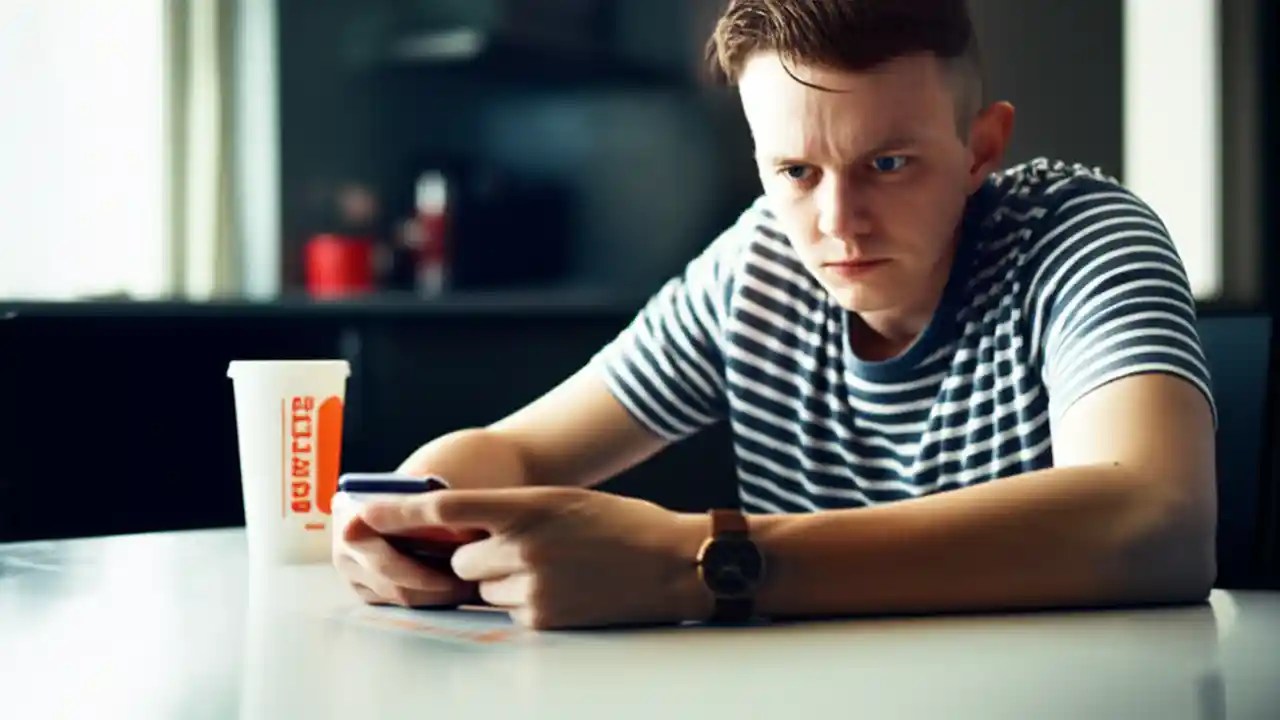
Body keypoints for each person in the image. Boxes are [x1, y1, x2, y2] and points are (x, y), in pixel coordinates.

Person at [334, 0, 1217, 630]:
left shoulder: (1078, 233)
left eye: (891, 163)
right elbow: (519, 449)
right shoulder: (759, 265)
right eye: (795, 171)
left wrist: (700, 564)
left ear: (981, 147)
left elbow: (1156, 521)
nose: (836, 224)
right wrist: (411, 510)